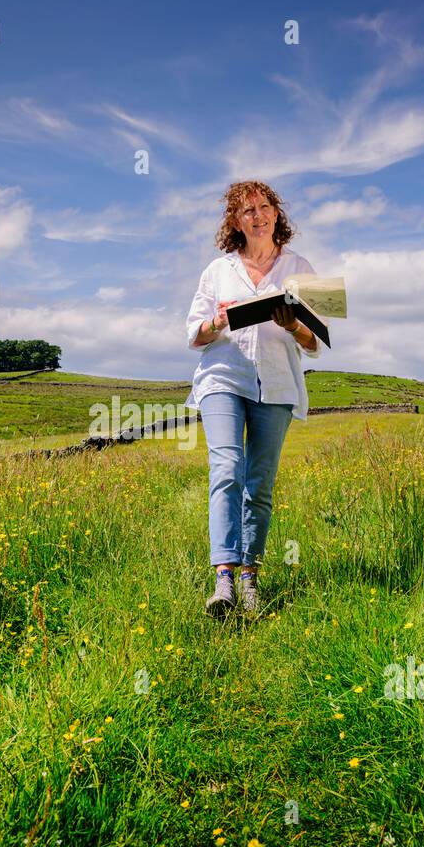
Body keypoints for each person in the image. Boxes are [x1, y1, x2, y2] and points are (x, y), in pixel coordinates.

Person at [183, 180, 323, 617]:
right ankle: (223, 579)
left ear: (277, 215)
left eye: (265, 207)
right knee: (226, 468)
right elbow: (194, 335)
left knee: (259, 485)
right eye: (247, 211)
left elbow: (314, 341)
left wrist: (292, 324)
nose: (258, 215)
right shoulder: (217, 270)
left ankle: (249, 581)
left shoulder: (299, 267)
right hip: (222, 375)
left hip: (277, 382)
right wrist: (218, 321)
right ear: (235, 222)